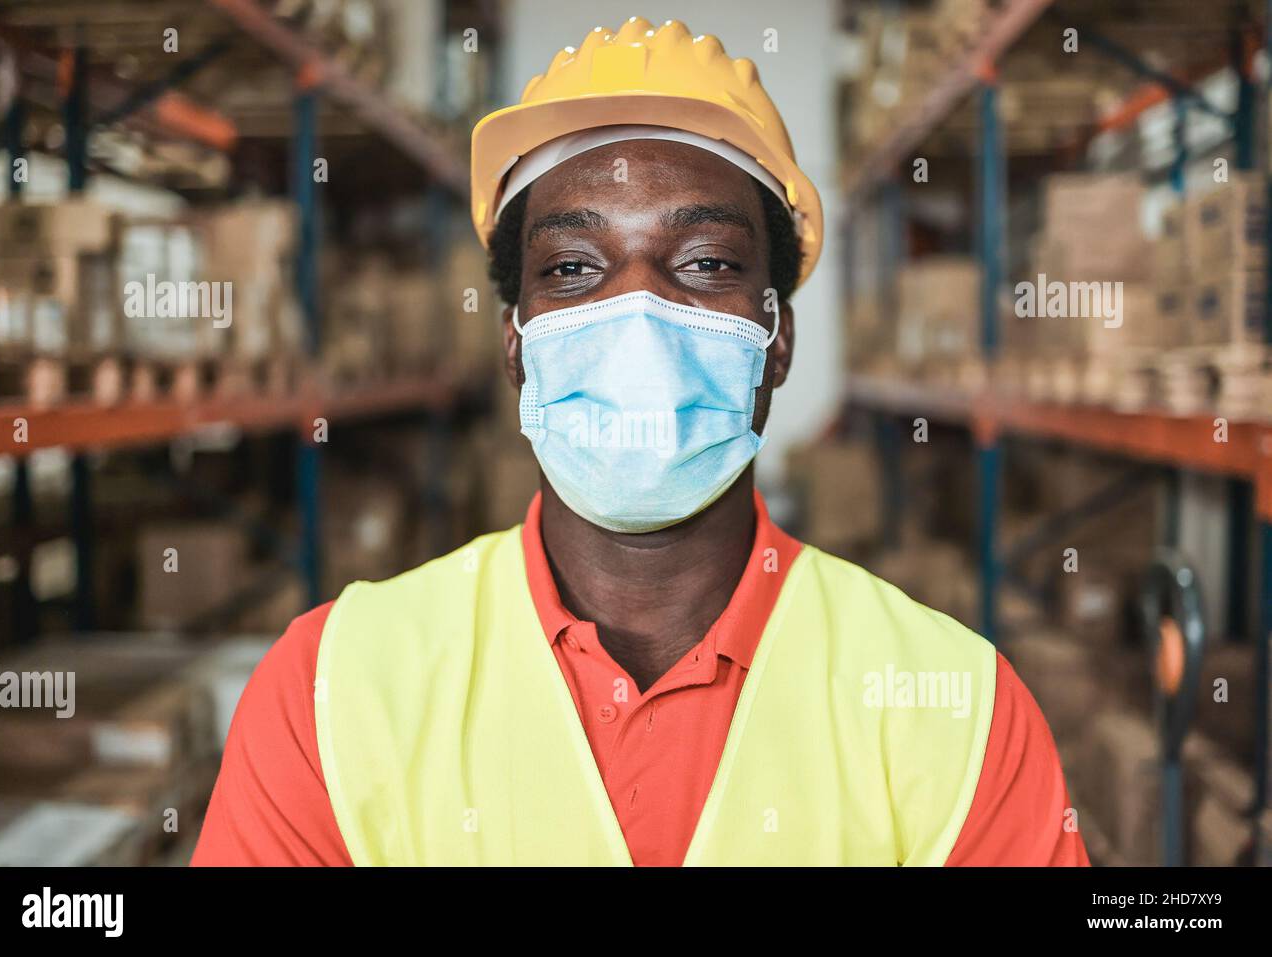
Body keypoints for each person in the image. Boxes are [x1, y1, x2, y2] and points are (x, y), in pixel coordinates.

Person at [192, 17, 1088, 867]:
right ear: (515, 343)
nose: (638, 315)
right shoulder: (331, 695)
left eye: (704, 263)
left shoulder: (955, 708)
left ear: (776, 338)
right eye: (574, 269)